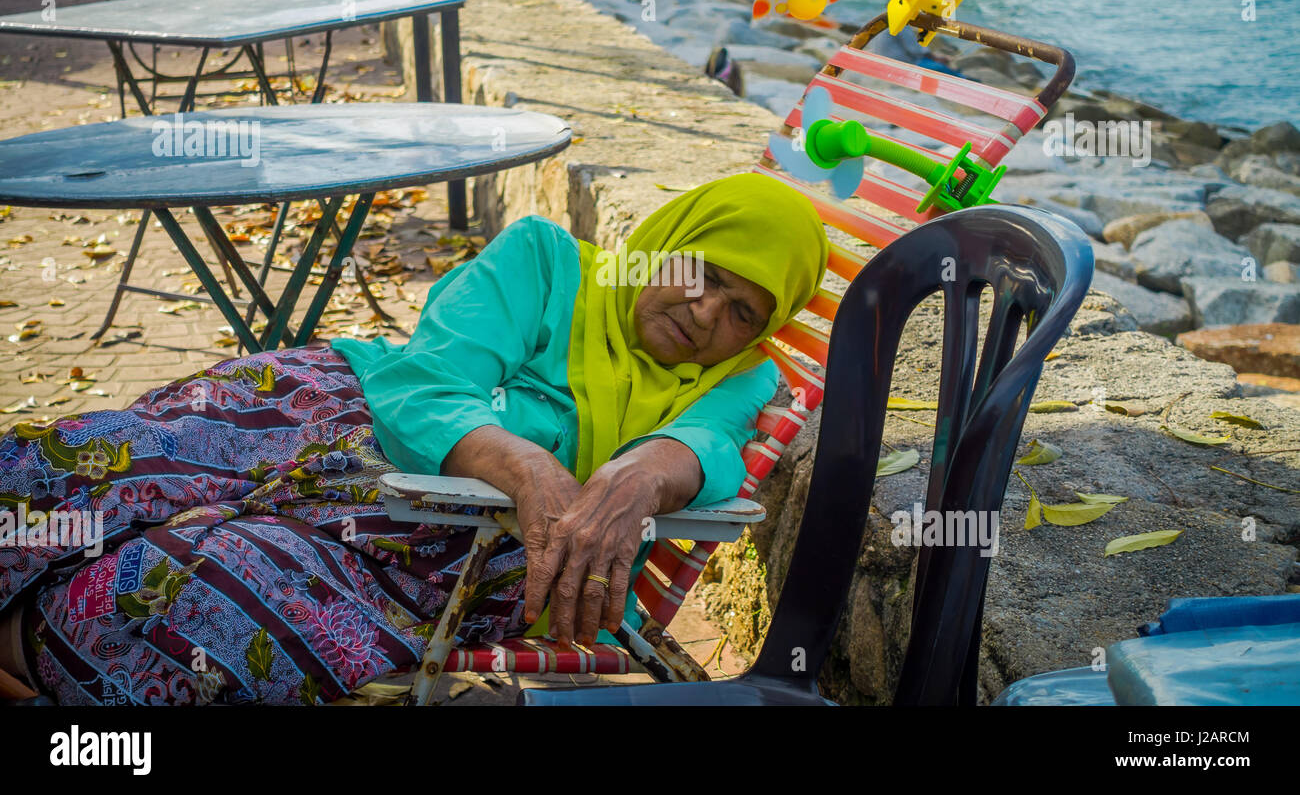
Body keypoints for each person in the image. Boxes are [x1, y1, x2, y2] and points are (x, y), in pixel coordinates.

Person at [0, 174, 829, 705]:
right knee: (67, 465)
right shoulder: (546, 260)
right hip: (335, 409)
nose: (707, 313)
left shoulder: (742, 378)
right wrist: (532, 464)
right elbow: (432, 380)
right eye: (705, 274)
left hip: (454, 537)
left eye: (744, 311)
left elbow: (707, 445)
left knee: (178, 589)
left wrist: (646, 469)